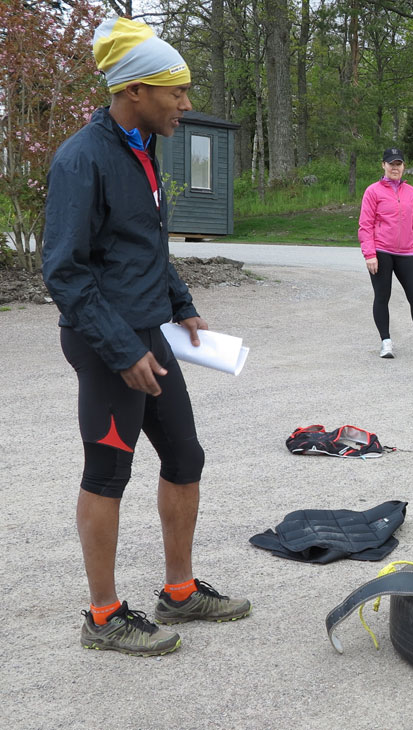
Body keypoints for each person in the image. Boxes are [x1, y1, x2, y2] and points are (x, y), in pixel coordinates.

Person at [42, 17, 250, 657]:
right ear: (135, 90)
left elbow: (146, 246)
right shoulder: (83, 158)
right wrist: (123, 348)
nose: (186, 105)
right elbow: (64, 271)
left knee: (185, 458)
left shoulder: (141, 145)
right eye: (176, 92)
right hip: (108, 344)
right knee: (107, 472)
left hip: (149, 330)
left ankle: (179, 593)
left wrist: (180, 304)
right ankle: (103, 618)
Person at [358, 148, 413, 360]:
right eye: (391, 163)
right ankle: (386, 342)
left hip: (407, 253)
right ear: (383, 165)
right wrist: (369, 254)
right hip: (381, 252)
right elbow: (365, 225)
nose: (395, 167)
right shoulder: (373, 191)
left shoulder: (411, 192)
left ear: (403, 167)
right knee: (382, 296)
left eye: (399, 164)